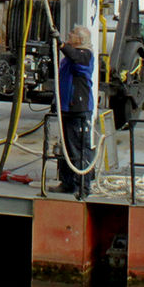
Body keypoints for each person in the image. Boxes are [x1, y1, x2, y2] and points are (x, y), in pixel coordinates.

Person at [49, 24, 95, 198]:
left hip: (79, 110)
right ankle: (67, 182)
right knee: (66, 148)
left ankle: (83, 187)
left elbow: (75, 56)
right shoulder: (69, 58)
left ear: (80, 39)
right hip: (67, 108)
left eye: (73, 33)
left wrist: (61, 44)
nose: (69, 34)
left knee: (79, 149)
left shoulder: (85, 56)